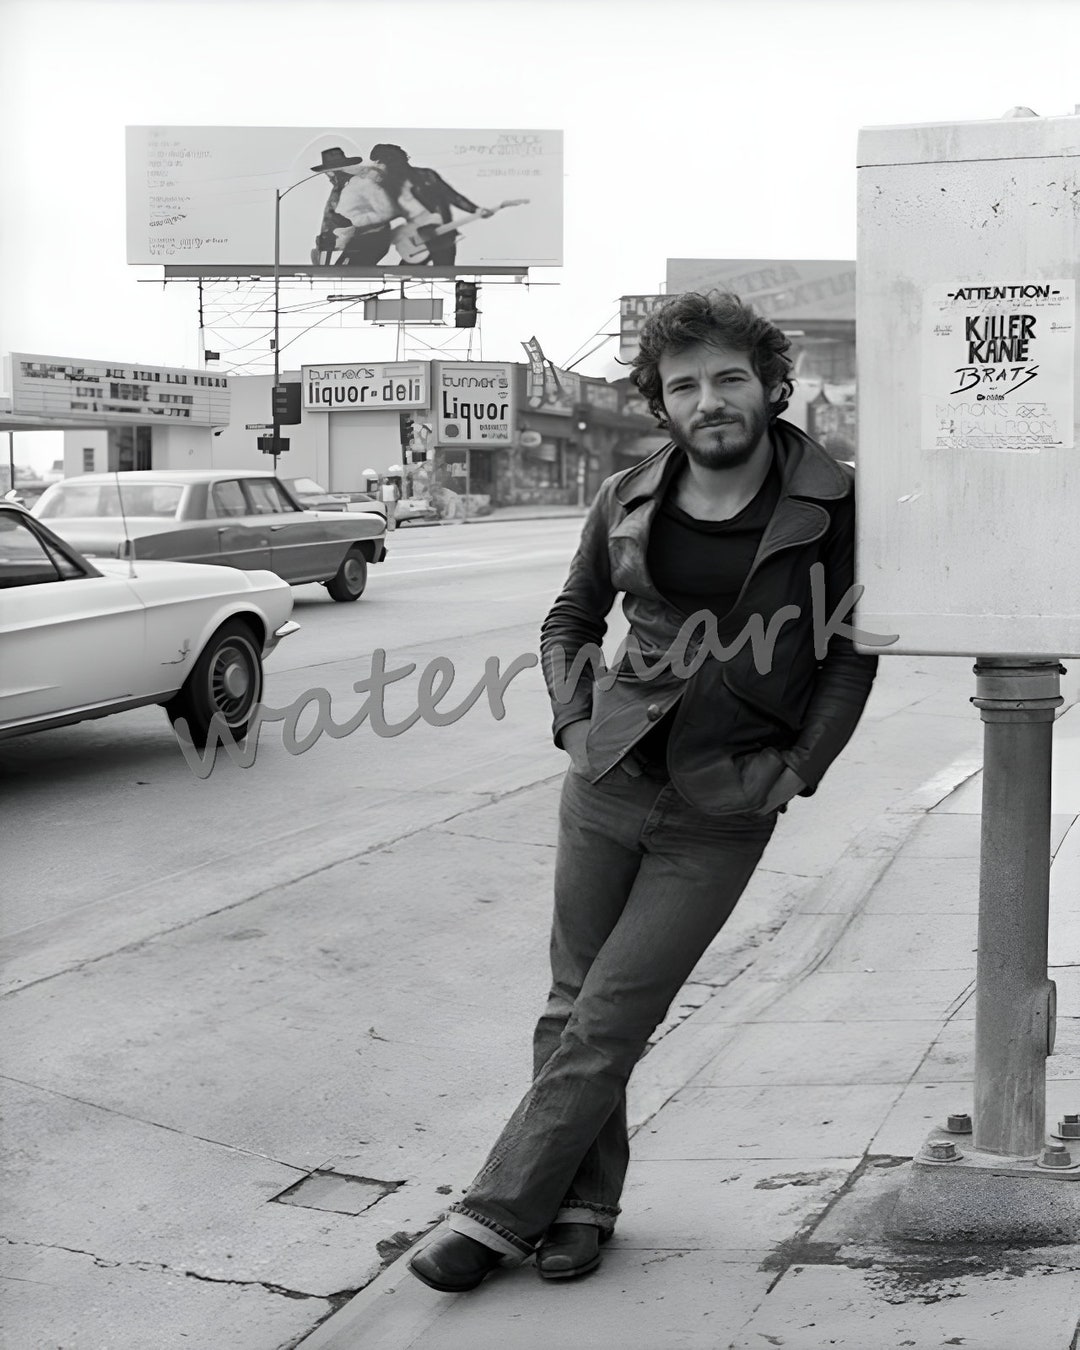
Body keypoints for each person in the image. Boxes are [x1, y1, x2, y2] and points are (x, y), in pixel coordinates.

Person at [408, 291, 880, 1293]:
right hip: (609, 779)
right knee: (569, 1008)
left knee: (612, 1016)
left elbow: (849, 654)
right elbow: (569, 620)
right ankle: (582, 1209)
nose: (710, 400)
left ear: (771, 386)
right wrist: (577, 726)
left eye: (730, 378)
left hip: (722, 807)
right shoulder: (626, 494)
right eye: (685, 385)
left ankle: (492, 1217)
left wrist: (797, 771)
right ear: (661, 403)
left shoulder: (836, 507)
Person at [368, 143, 492, 265]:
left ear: (391, 162)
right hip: (415, 238)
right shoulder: (387, 186)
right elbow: (383, 214)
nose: (379, 168)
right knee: (405, 273)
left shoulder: (426, 176)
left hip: (440, 234)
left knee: (444, 273)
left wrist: (475, 210)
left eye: (380, 164)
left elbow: (452, 196)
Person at [309, 147, 397, 266]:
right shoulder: (346, 185)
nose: (328, 176)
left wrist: (332, 234)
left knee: (340, 272)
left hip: (369, 241)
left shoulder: (352, 185)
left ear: (331, 171)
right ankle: (323, 268)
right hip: (362, 241)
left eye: (328, 172)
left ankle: (322, 269)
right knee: (338, 271)